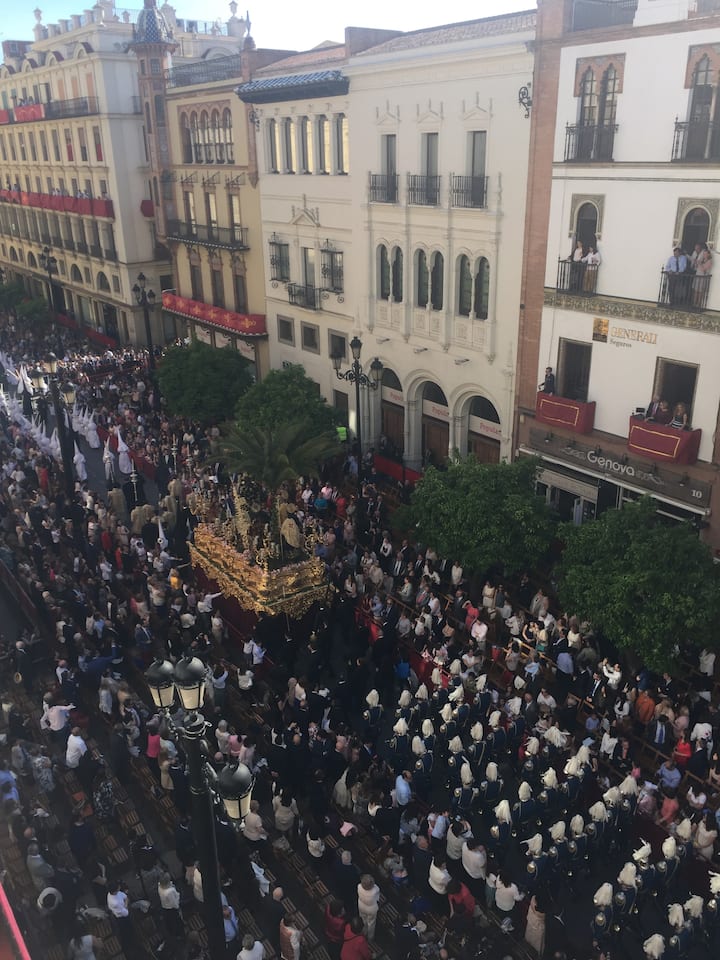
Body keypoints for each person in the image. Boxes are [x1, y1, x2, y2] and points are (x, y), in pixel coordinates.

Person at [158, 873, 184, 939]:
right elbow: (175, 904)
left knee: (170, 922)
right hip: (172, 909)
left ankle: (174, 933)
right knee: (177, 922)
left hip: (165, 908)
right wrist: (178, 896)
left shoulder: (159, 886)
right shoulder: (170, 892)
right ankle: (180, 935)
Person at [357, 874, 380, 941]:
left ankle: (364, 933)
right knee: (371, 923)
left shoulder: (359, 887)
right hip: (371, 909)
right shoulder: (375, 890)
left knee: (363, 919)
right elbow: (377, 898)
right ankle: (370, 937)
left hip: (361, 906)